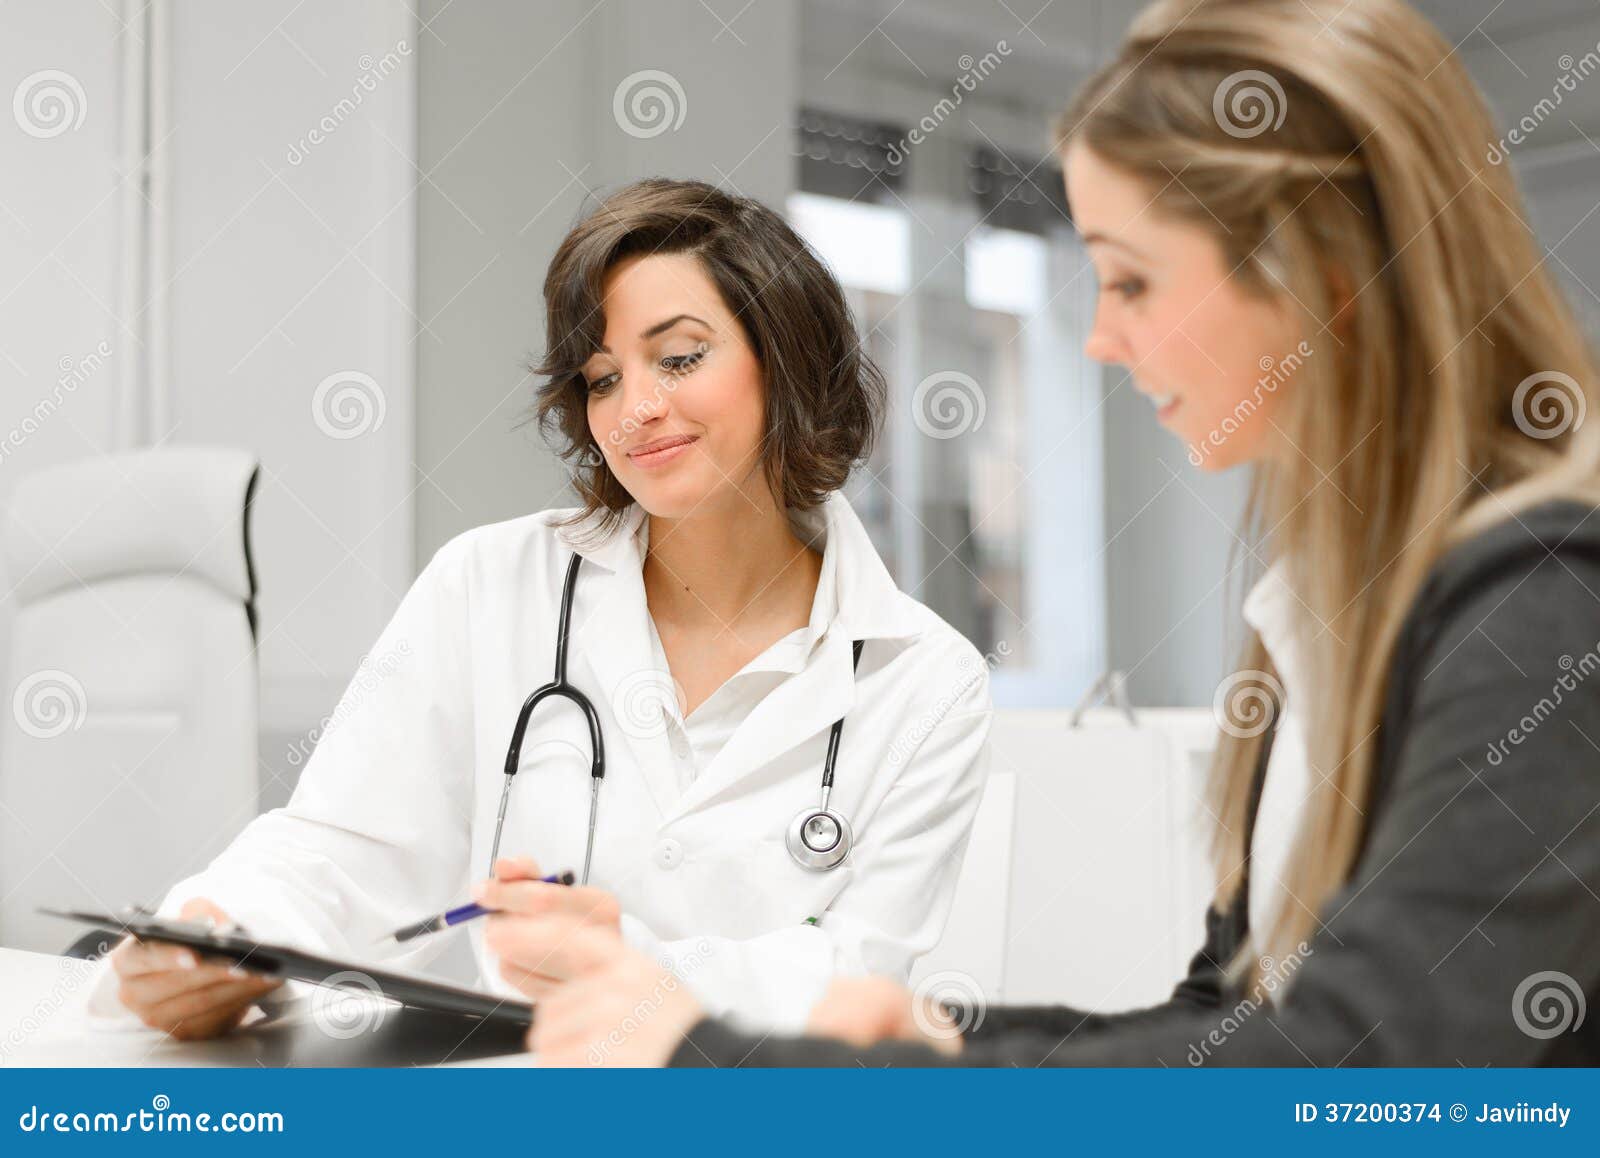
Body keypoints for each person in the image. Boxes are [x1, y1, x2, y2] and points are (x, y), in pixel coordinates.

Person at [525, 0, 1600, 1066]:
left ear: (1323, 275)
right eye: (603, 379)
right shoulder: (1322, 604)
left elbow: (1361, 1066)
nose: (1096, 338)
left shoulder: (1547, 597)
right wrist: (947, 1052)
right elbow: (1230, 1021)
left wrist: (731, 1061)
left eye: (1130, 279)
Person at [95, 178, 992, 1040]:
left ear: (787, 359)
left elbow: (858, 983)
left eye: (679, 358)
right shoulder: (489, 582)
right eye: (602, 378)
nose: (635, 409)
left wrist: (630, 965)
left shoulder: (925, 680)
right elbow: (342, 846)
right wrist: (212, 938)